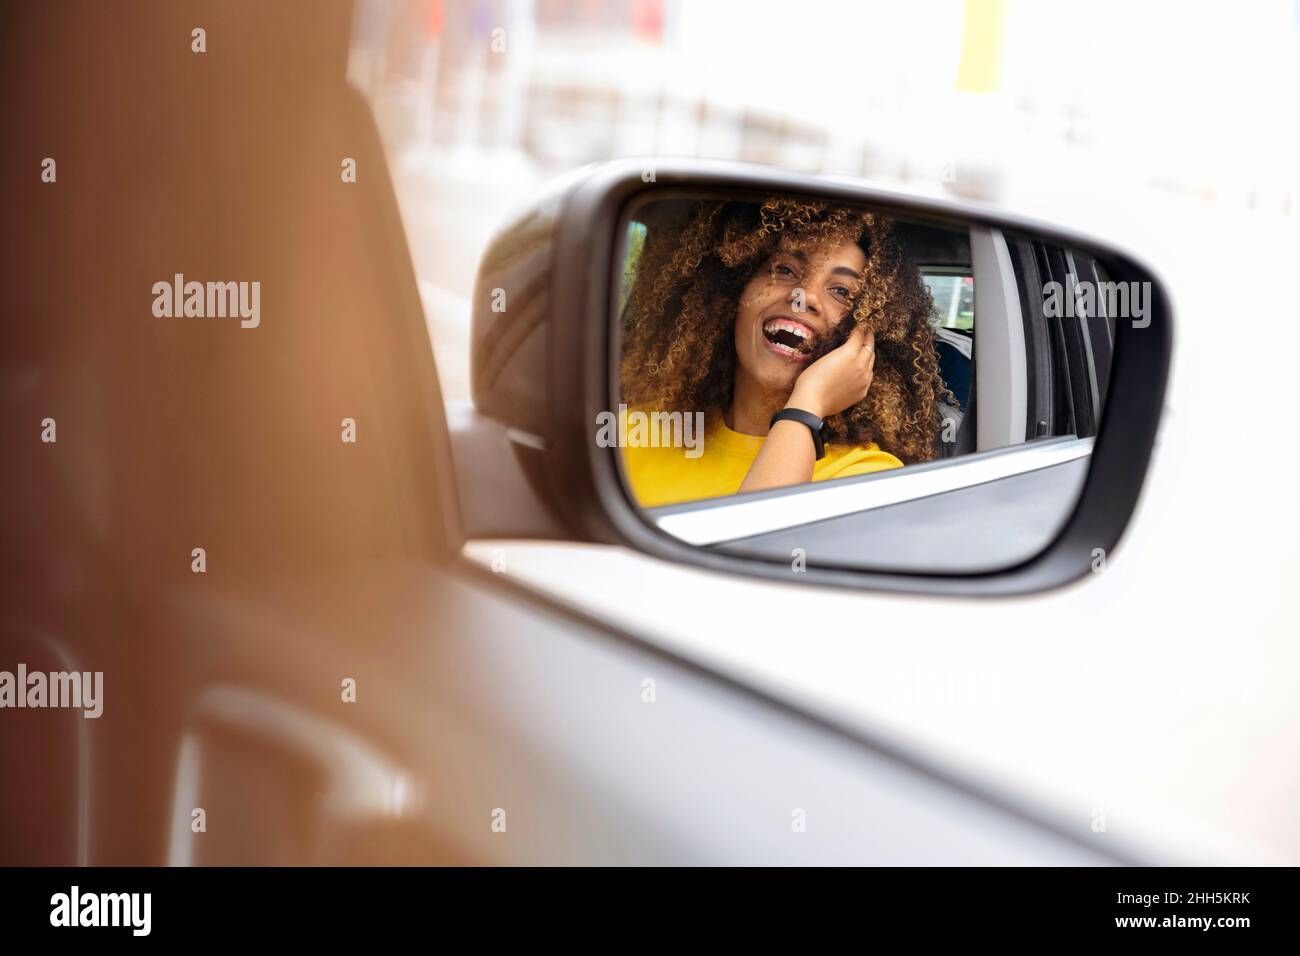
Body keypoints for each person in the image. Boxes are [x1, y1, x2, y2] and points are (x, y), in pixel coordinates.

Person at [619, 197, 955, 509]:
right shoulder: (637, 429)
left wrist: (808, 403)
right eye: (784, 270)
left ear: (865, 338)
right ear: (730, 294)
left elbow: (750, 560)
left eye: (841, 292)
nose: (803, 297)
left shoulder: (867, 477)